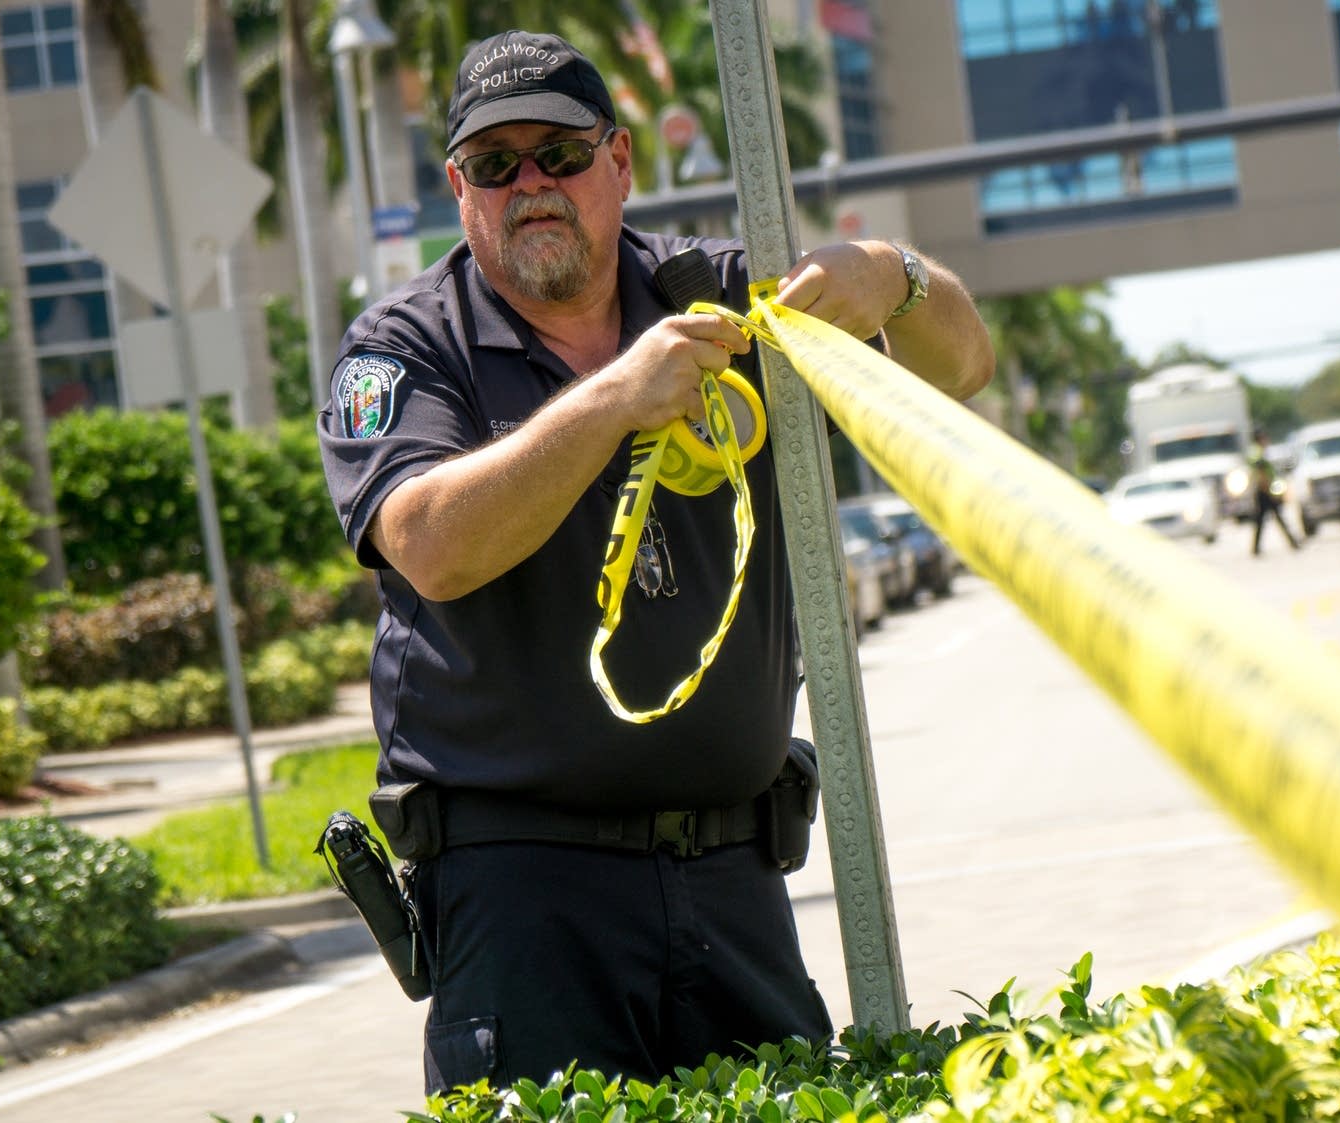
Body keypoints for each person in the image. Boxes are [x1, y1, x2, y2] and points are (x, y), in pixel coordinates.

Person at [315, 28, 994, 1096]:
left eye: (560, 153)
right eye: (496, 165)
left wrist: (890, 277)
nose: (530, 184)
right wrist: (620, 397)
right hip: (524, 894)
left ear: (618, 161)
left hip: (733, 873)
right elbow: (429, 544)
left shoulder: (721, 291)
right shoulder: (407, 348)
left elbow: (961, 368)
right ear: (459, 188)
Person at [1248, 438, 1301, 555]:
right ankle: (1293, 542)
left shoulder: (1254, 451)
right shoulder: (1257, 452)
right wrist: (1269, 492)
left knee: (1262, 521)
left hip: (1262, 491)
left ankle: (1256, 548)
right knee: (1276, 518)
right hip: (1264, 491)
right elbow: (1261, 473)